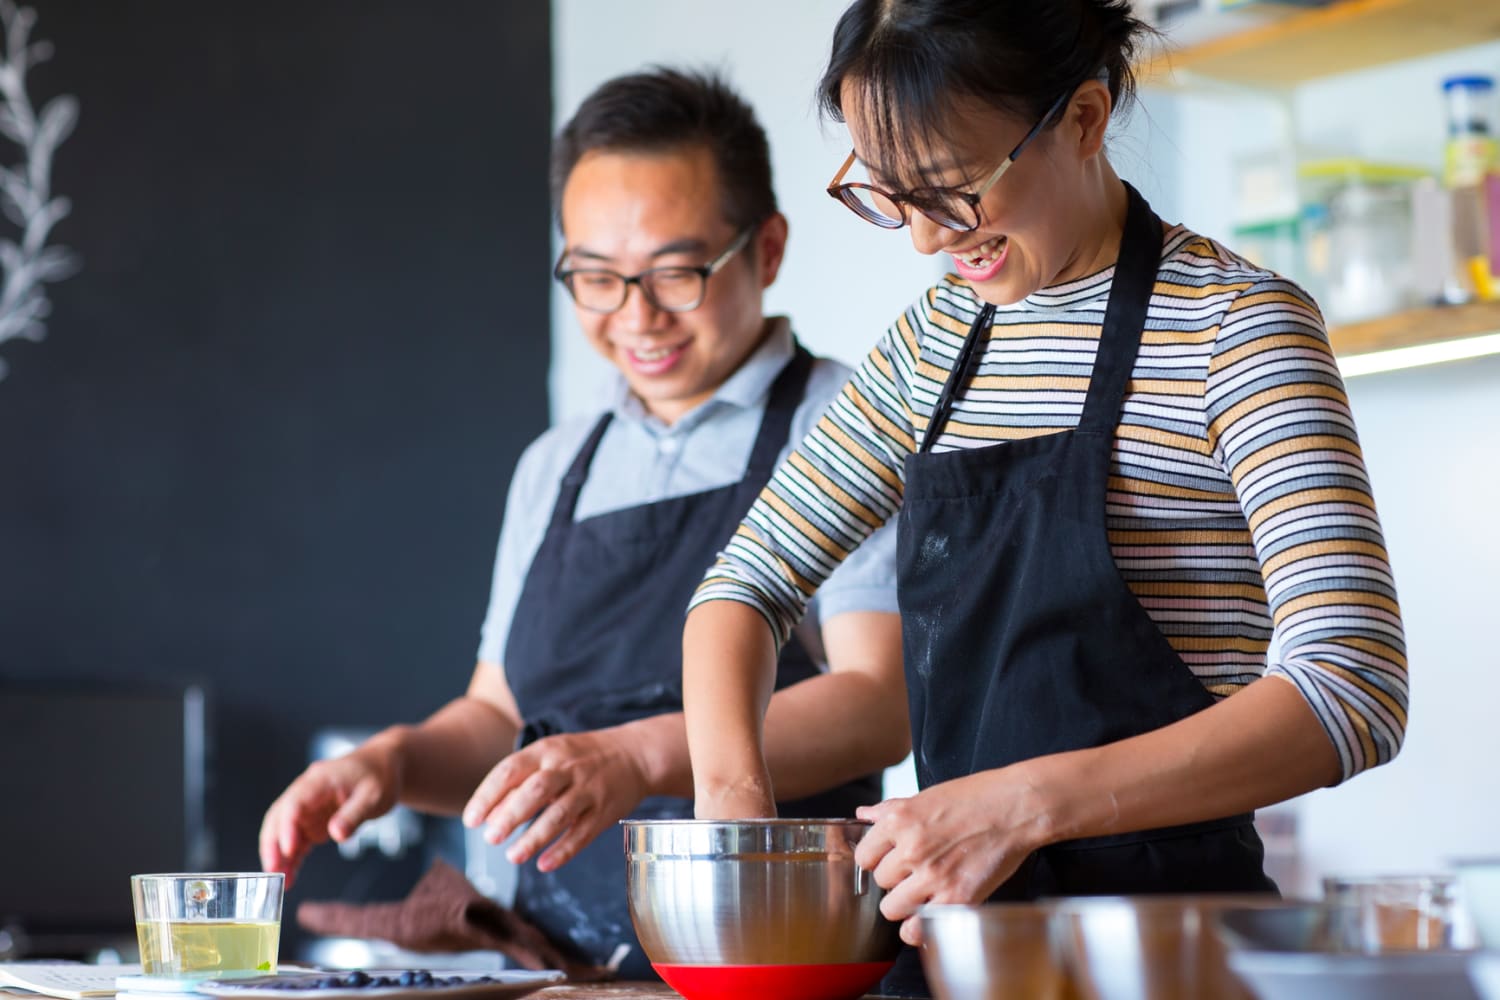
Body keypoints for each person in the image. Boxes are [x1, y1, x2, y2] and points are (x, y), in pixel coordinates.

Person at [682, 1, 1407, 992]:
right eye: (891, 197)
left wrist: (1018, 808)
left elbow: (1352, 687)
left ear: (1083, 119)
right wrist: (734, 810)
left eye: (955, 191)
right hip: (958, 957)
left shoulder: (1238, 331)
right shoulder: (931, 348)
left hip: (1168, 956)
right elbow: (746, 584)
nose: (928, 243)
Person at [259, 67, 908, 980]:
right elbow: (499, 717)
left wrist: (639, 756)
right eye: (595, 277)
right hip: (549, 969)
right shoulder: (557, 466)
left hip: (767, 959)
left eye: (676, 273)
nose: (634, 317)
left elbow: (879, 702)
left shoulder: (845, 421)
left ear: (766, 249)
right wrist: (395, 764)